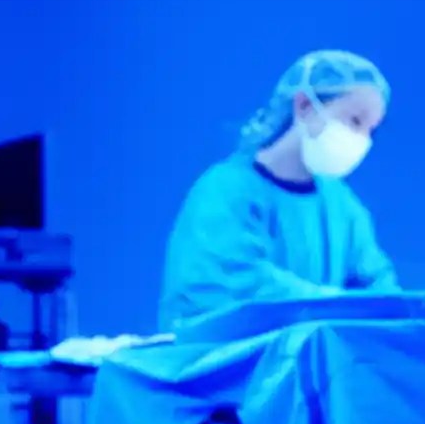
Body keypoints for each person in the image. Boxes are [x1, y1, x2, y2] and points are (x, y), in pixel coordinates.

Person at [158, 50, 398, 332]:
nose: (362, 140)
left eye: (371, 130)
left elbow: (379, 292)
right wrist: (335, 306)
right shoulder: (226, 192)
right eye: (355, 121)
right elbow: (235, 289)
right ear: (305, 106)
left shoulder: (342, 208)